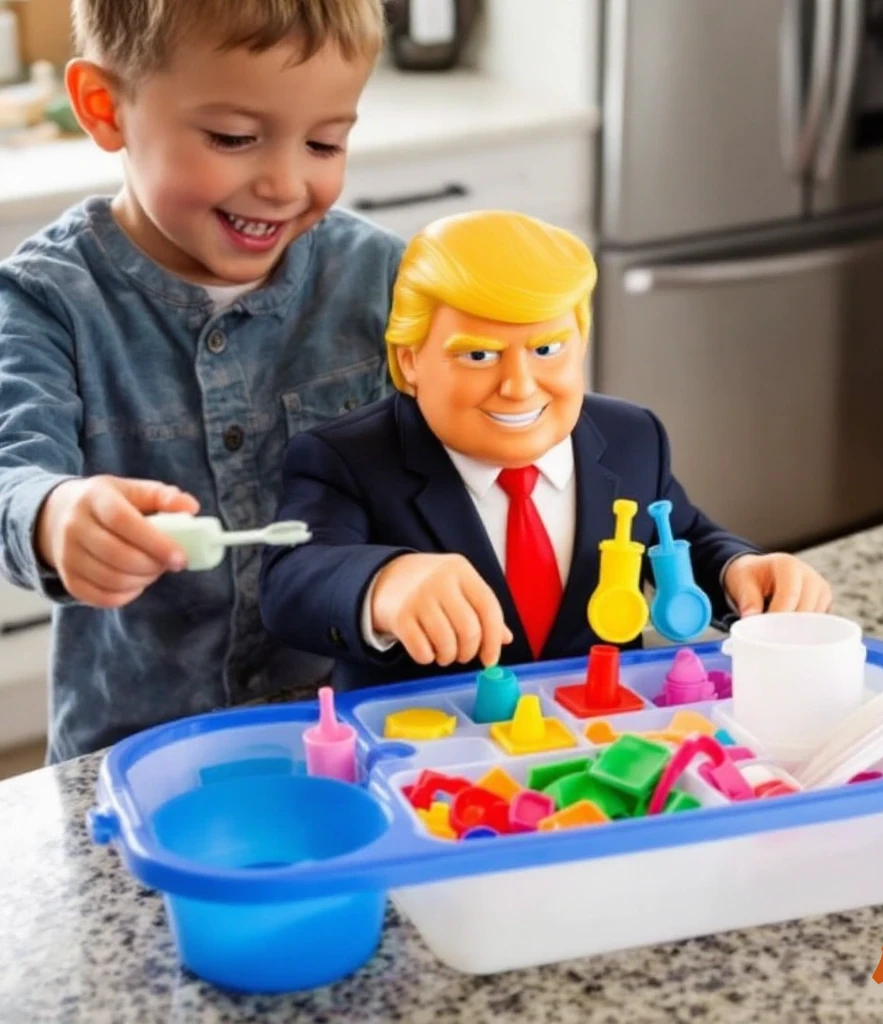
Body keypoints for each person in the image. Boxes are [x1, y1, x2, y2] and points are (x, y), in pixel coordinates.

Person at [0, 0, 403, 762]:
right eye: (233, 138)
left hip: (357, 735)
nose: (285, 184)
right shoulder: (45, 300)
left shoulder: (384, 279)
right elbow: (9, 470)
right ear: (104, 106)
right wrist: (56, 514)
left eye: (324, 143)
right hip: (135, 752)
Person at [260, 210, 832, 688]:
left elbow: (680, 535)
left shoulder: (632, 436)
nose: (519, 385)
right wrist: (382, 583)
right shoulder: (347, 458)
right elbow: (292, 582)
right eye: (479, 355)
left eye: (547, 349)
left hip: (602, 746)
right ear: (411, 359)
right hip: (433, 766)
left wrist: (741, 566)